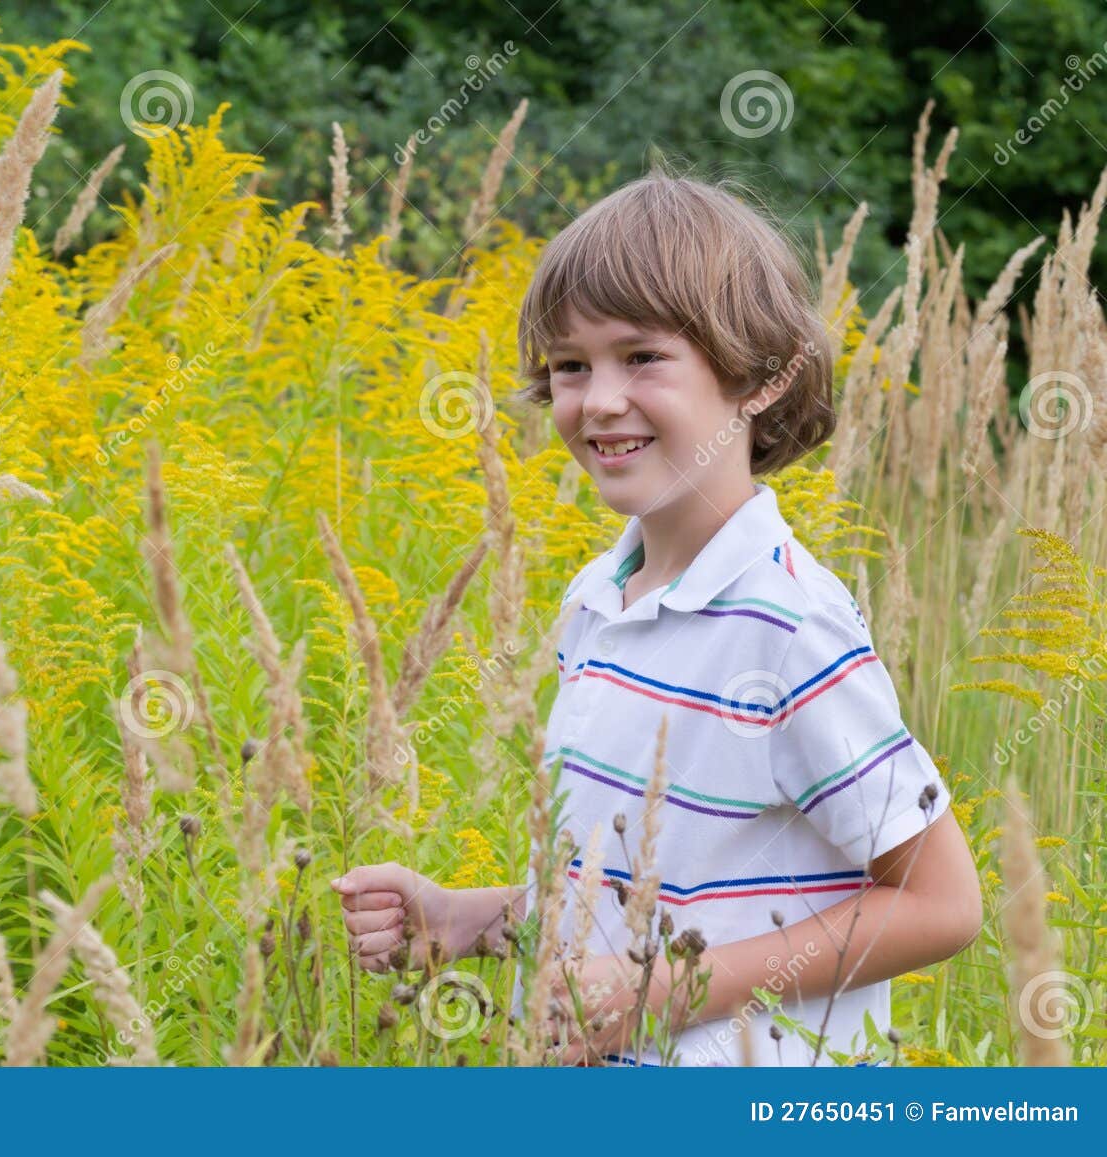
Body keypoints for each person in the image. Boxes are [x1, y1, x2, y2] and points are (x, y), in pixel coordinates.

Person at [330, 172, 983, 1066]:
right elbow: (621, 893)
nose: (598, 400)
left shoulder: (787, 626)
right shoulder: (600, 598)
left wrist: (672, 989)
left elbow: (941, 904)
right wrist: (465, 916)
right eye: (570, 365)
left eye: (641, 357)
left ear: (757, 376)